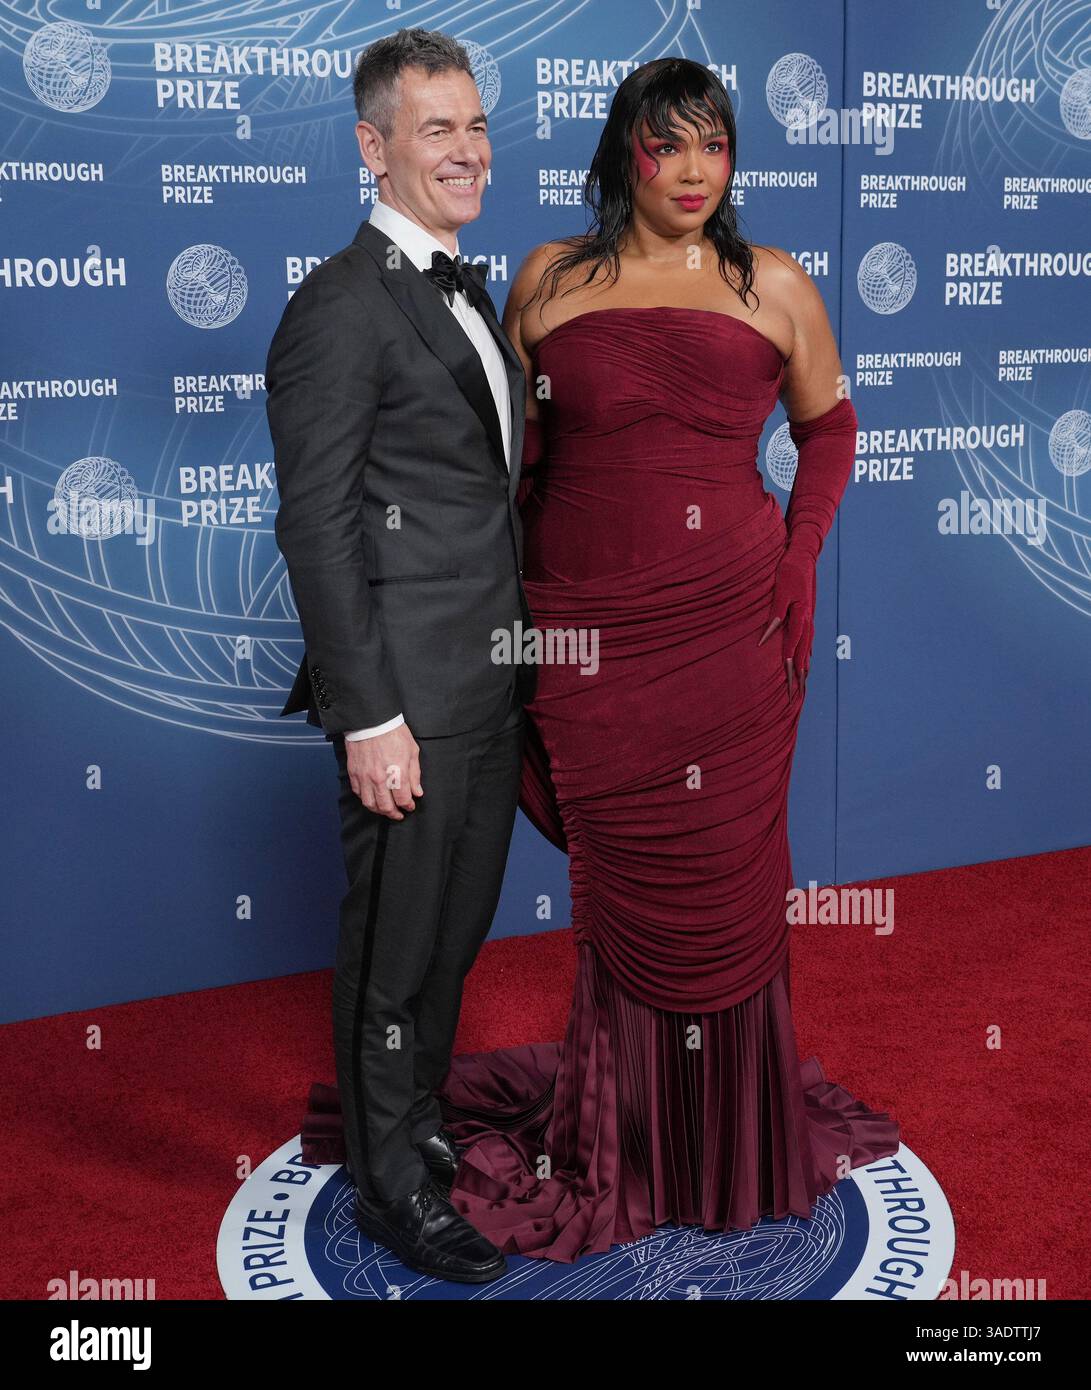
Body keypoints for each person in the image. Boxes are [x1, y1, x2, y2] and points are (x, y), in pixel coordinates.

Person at [424, 56, 901, 1259]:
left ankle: (721, 1141)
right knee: (621, 886)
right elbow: (512, 462)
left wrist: (795, 560)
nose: (691, 171)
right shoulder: (546, 276)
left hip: (731, 632)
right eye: (665, 144)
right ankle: (621, 1136)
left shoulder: (773, 284)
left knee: (724, 886)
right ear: (620, 154)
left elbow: (830, 425)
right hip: (587, 633)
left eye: (713, 146)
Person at [267, 27, 536, 1283]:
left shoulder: (468, 289)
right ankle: (385, 1190)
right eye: (438, 129)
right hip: (406, 710)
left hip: (486, 687)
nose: (468, 148)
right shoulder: (337, 308)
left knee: (450, 941)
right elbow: (316, 527)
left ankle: (415, 1124)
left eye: (476, 124)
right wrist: (367, 714)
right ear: (373, 148)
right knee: (393, 947)